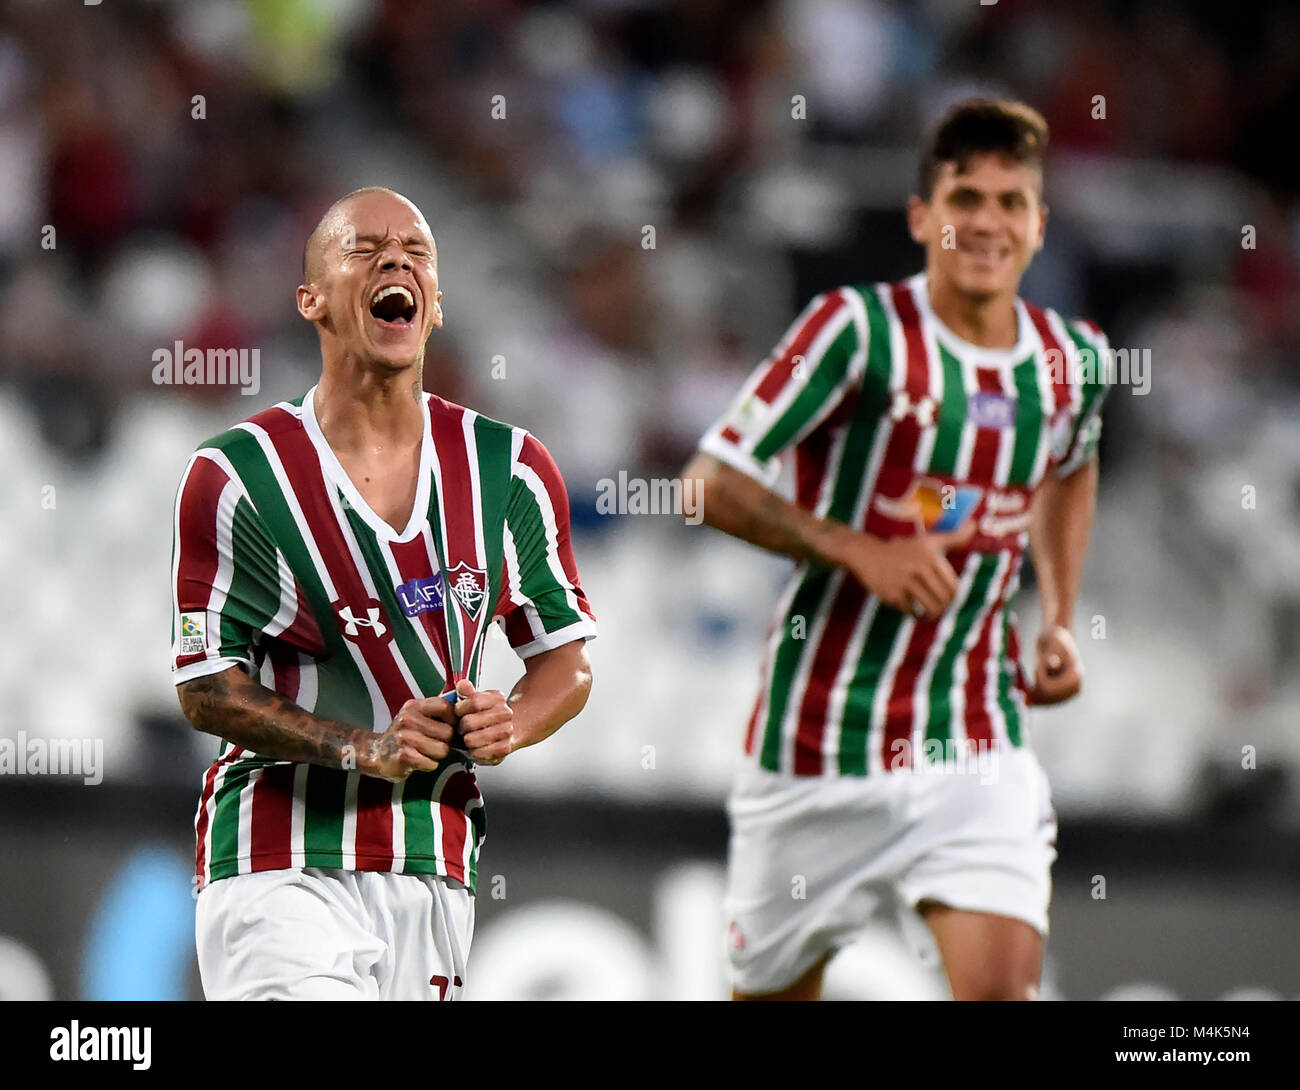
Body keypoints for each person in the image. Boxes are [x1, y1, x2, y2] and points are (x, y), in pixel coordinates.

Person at [681, 100, 1110, 1001]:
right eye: (966, 196)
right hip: (818, 746)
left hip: (974, 737)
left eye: (1011, 200)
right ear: (923, 216)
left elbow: (1072, 465)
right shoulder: (854, 331)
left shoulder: (1076, 361)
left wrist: (1062, 616)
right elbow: (708, 482)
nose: (988, 221)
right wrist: (858, 551)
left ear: (1038, 224)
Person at [171, 187, 596, 1000]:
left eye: (417, 251)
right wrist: (362, 748)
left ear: (435, 304)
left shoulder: (511, 470)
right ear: (312, 300)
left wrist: (511, 722)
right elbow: (206, 689)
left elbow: (567, 665)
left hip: (433, 864)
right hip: (279, 854)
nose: (396, 259)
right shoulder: (236, 476)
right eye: (363, 248)